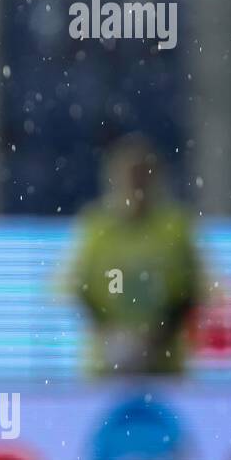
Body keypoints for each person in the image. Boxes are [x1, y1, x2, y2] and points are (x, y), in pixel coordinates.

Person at [66, 134, 206, 377]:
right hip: (107, 367)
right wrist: (112, 335)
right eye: (130, 177)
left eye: (143, 177)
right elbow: (78, 289)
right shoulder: (96, 229)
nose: (136, 185)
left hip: (164, 367)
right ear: (114, 179)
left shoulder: (175, 228)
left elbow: (193, 290)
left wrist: (155, 338)